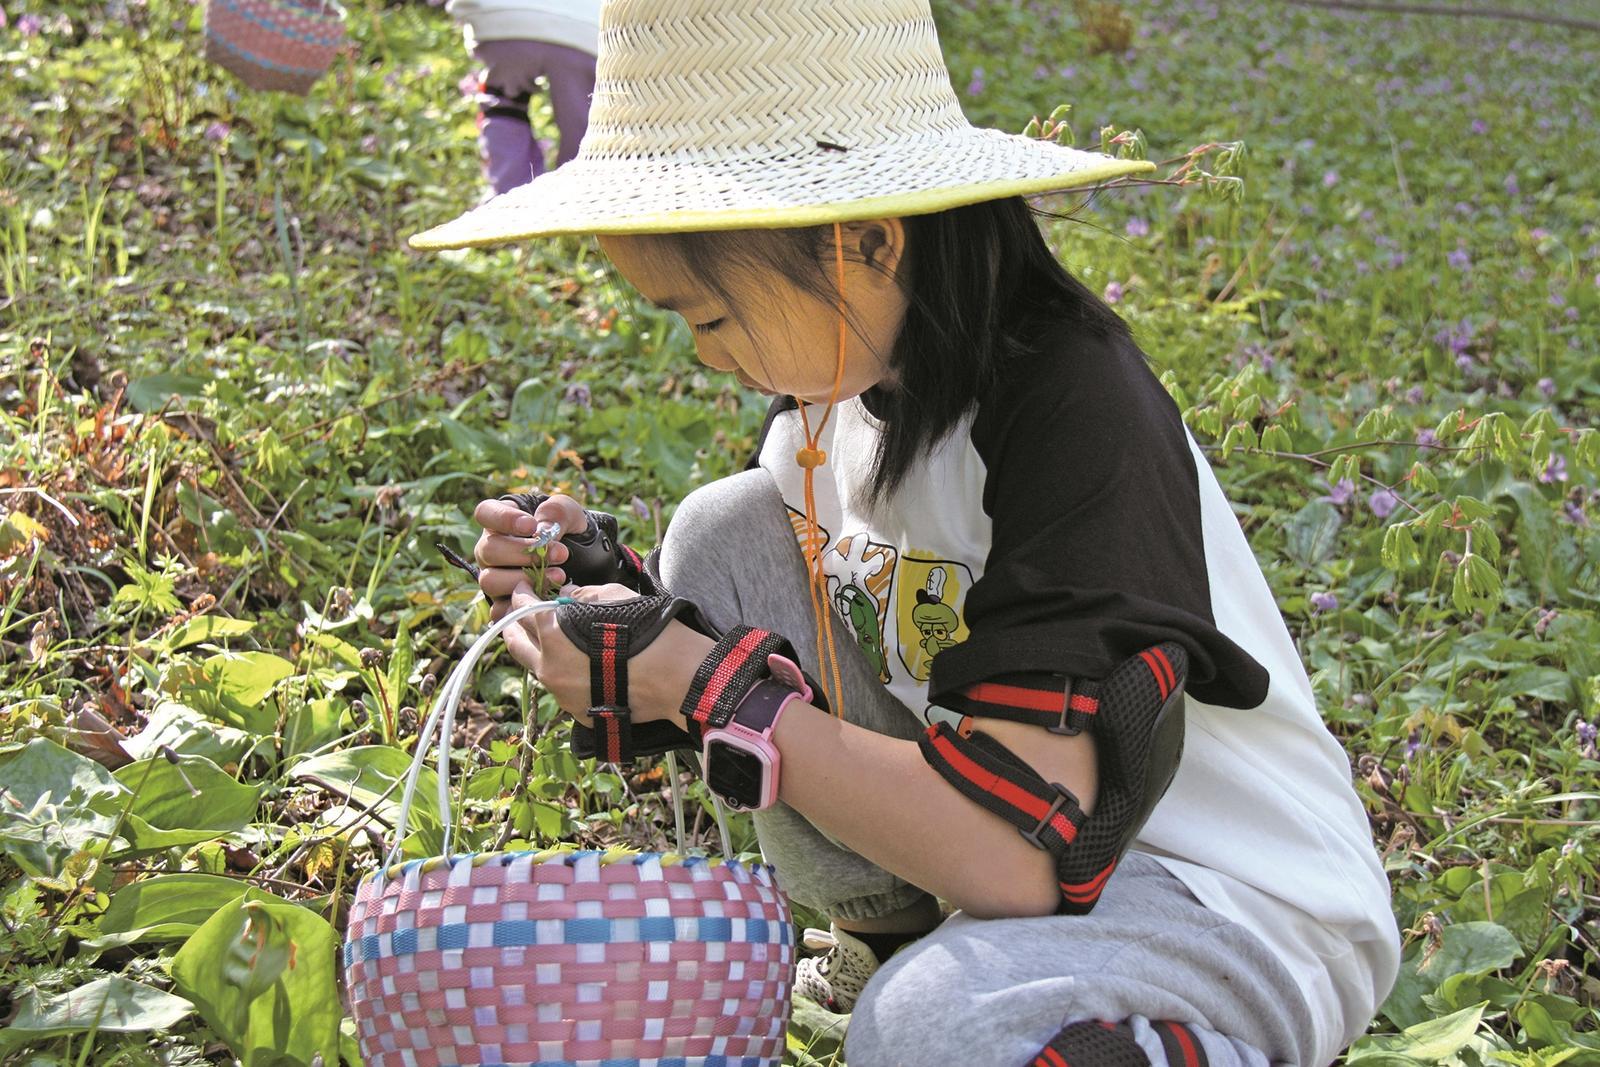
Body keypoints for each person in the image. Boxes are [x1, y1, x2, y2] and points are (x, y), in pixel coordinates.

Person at [412, 1, 1401, 1064]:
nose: (706, 355)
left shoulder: (1075, 406)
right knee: (731, 530)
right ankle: (893, 939)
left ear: (868, 243)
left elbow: (1023, 855)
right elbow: (793, 655)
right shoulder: (832, 399)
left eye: (707, 316)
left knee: (930, 1031)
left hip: (1225, 899)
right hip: (1014, 863)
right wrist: (611, 606)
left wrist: (703, 682)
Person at [447, 0, 601, 195]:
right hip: (585, 30)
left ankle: (510, 198)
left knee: (503, 104)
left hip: (502, 20)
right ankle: (582, 197)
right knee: (585, 122)